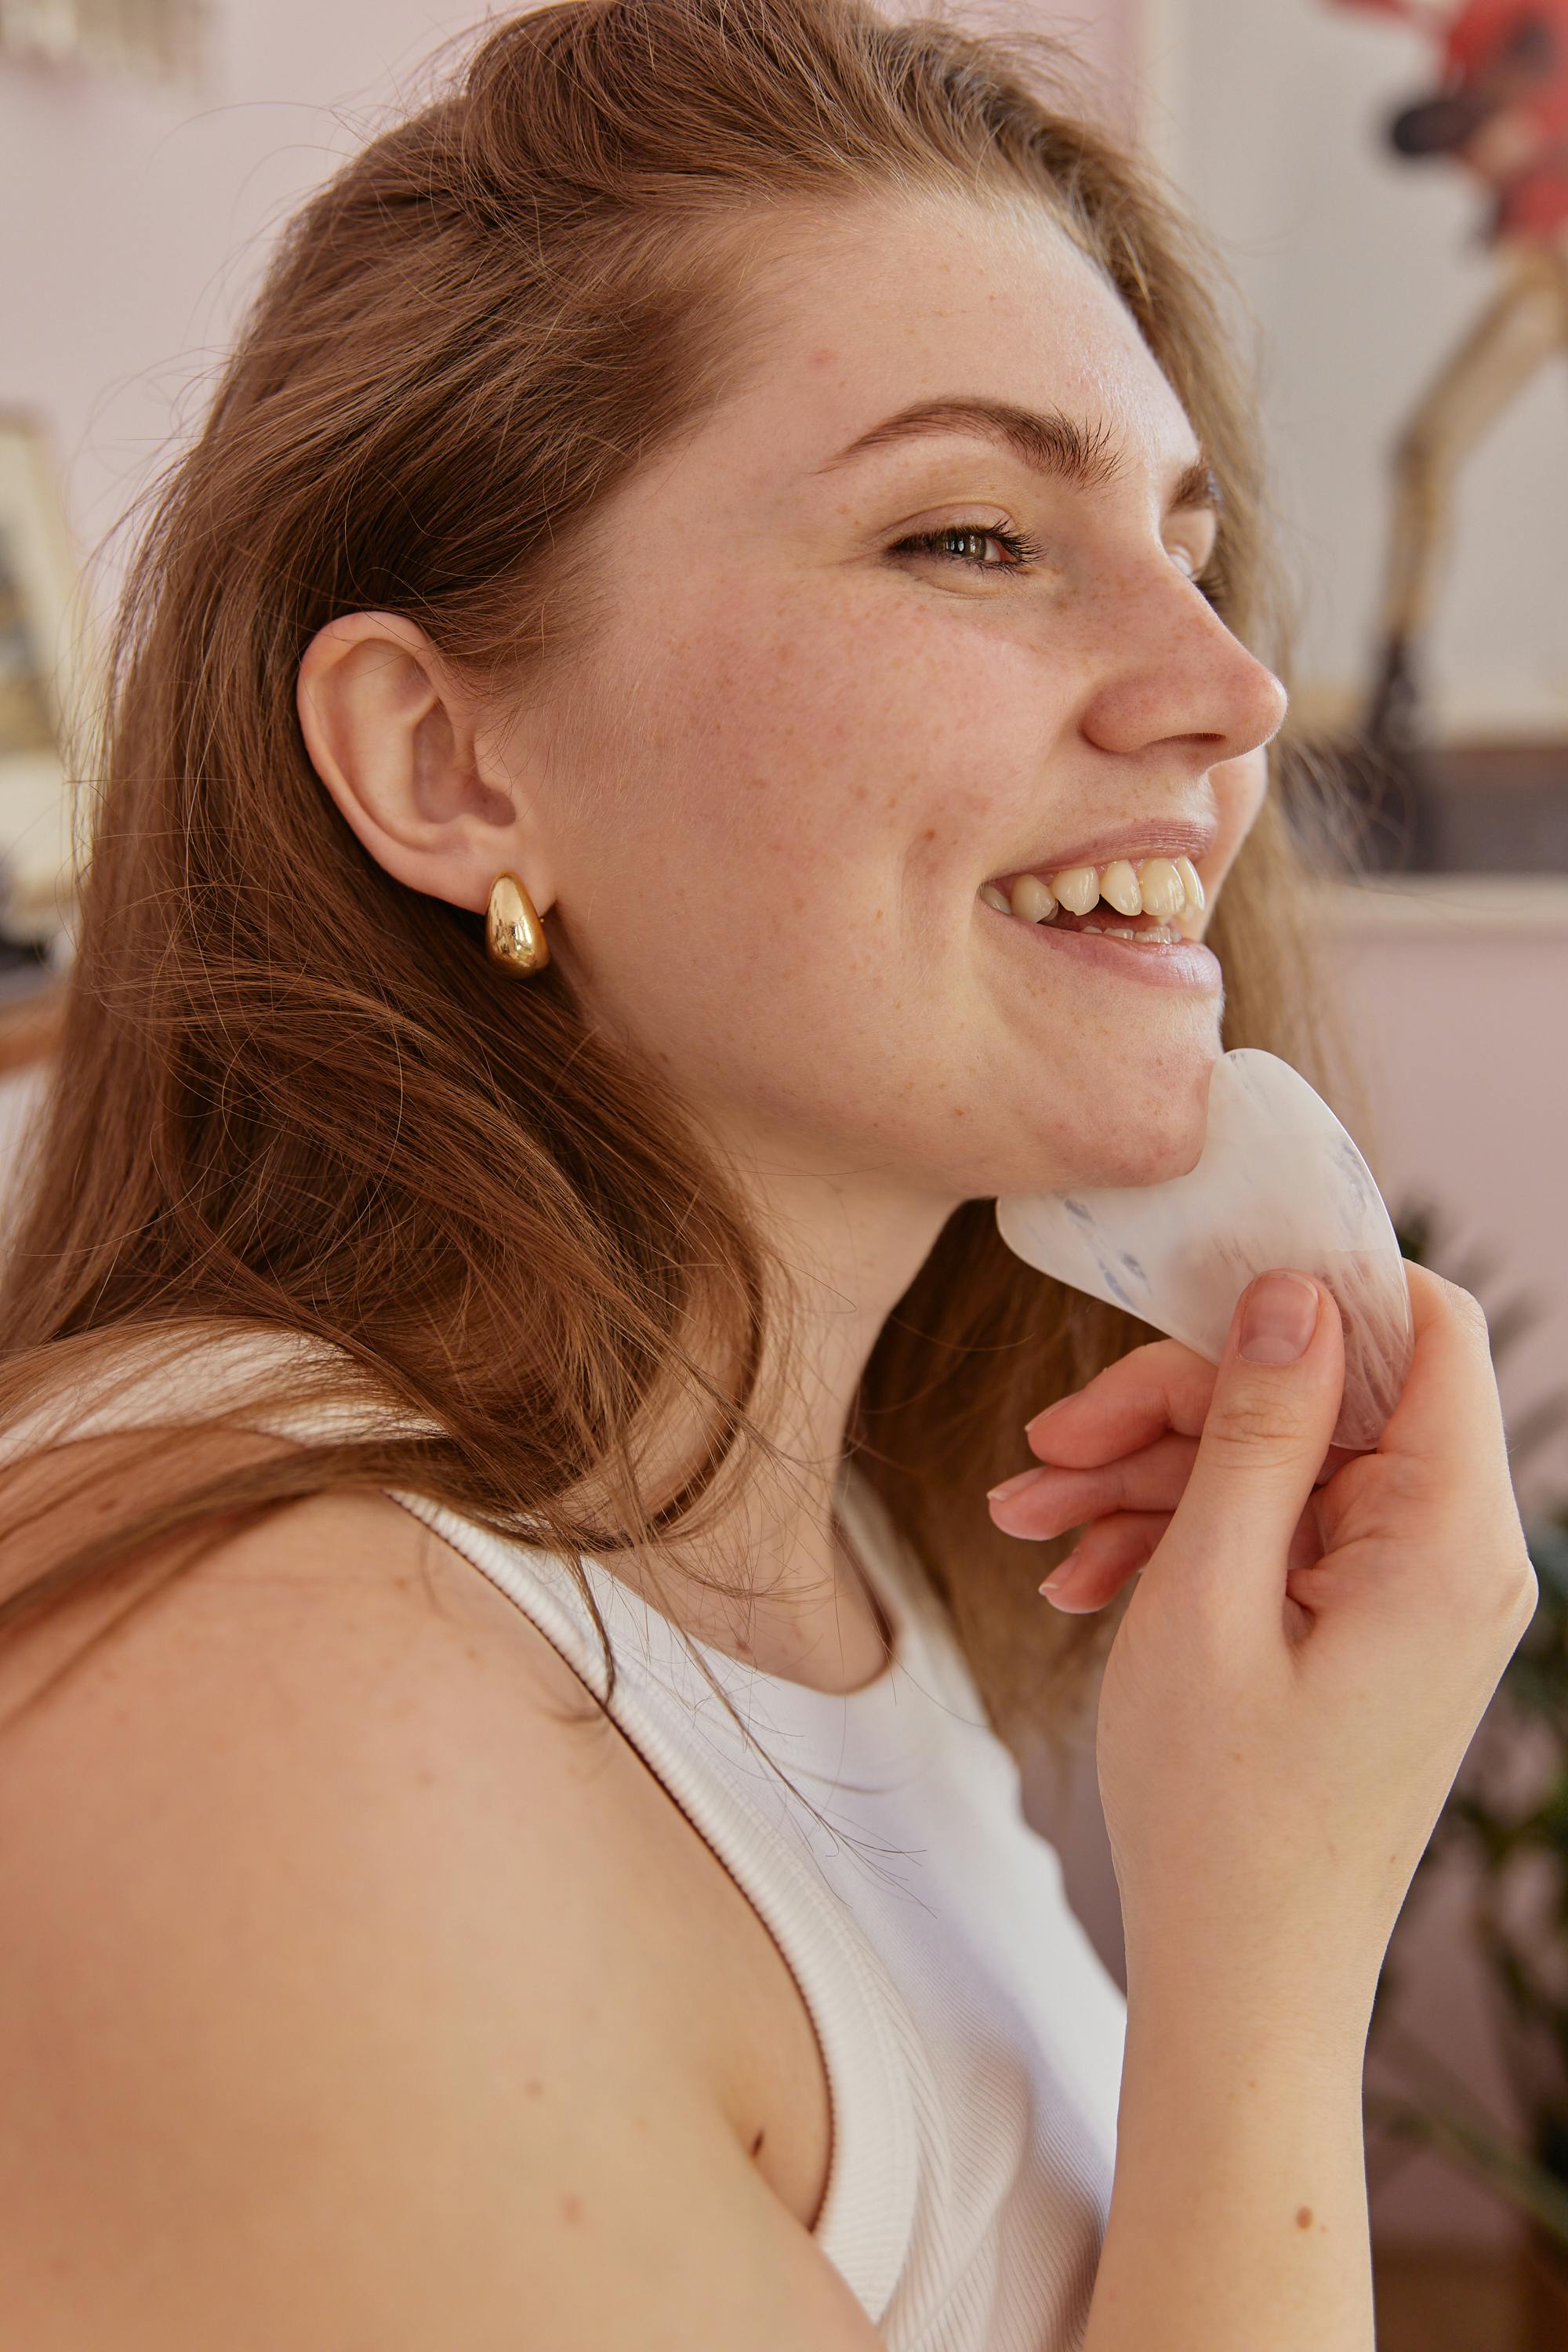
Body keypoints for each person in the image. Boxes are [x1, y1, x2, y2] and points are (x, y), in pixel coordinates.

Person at [0, 2, 1536, 2346]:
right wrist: (1277, 1960)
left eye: (1187, 547)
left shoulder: (779, 1551)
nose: (1224, 690)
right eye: (972, 536)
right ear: (447, 760)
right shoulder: (286, 1746)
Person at [1329, 0, 1568, 762]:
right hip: (1536, 274)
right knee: (1424, 452)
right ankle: (1398, 659)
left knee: (1424, 451)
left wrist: (1522, 132)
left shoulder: (1518, 29)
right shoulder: (1464, 46)